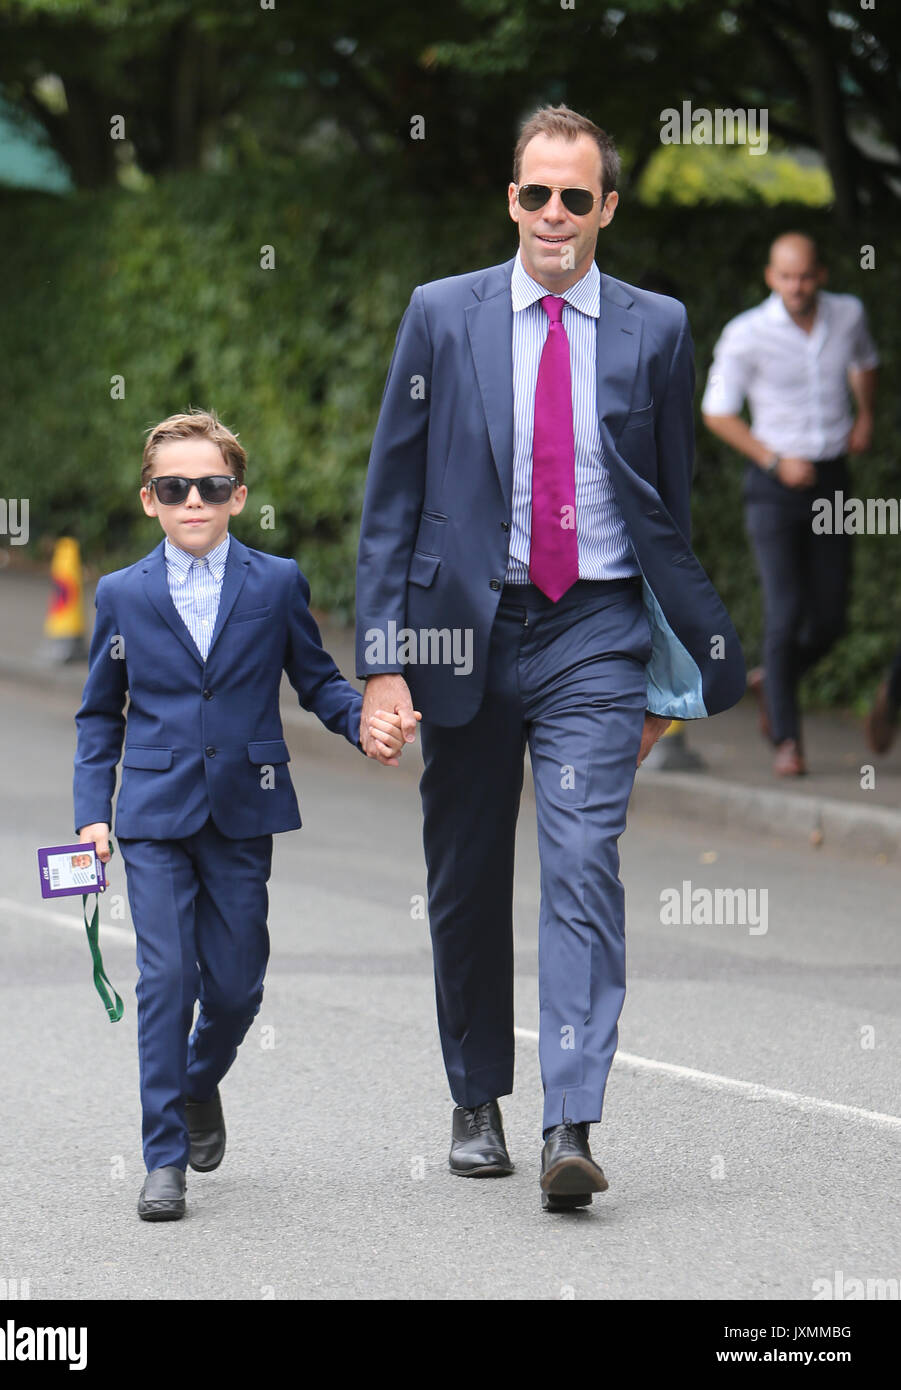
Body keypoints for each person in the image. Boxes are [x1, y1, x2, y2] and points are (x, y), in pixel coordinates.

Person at [355, 104, 745, 1211]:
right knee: (466, 875)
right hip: (463, 630)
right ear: (511, 198)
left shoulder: (657, 327)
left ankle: (570, 1117)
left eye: (577, 198)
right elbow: (390, 500)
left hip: (597, 631)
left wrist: (671, 666)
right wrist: (383, 659)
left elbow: (668, 507)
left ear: (606, 207)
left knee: (583, 866)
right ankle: (474, 1095)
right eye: (538, 195)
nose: (555, 216)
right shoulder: (441, 315)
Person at [74, 409, 403, 1222]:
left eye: (210, 486)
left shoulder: (275, 581)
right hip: (151, 815)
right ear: (149, 498)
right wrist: (91, 814)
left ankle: (196, 1084)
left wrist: (363, 719)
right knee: (167, 980)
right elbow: (98, 716)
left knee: (235, 985)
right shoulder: (120, 594)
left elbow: (316, 678)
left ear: (237, 495)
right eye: (174, 487)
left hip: (242, 812)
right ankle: (163, 1159)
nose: (194, 500)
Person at [702, 233, 879, 776]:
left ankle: (770, 681)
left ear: (820, 274)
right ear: (770, 277)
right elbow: (718, 411)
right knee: (785, 612)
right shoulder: (747, 334)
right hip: (774, 485)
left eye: (804, 276)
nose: (795, 287)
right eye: (785, 277)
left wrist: (866, 414)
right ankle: (788, 742)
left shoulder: (848, 315)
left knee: (829, 618)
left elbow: (865, 361)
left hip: (831, 480)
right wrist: (773, 459)